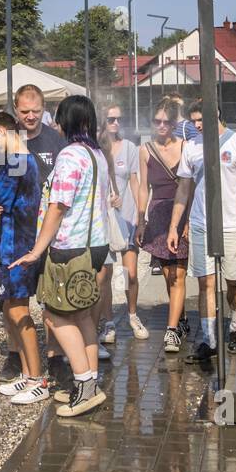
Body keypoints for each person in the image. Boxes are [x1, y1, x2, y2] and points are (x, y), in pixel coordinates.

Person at [9, 96, 109, 418]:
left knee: (55, 316)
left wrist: (38, 249)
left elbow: (59, 205)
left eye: (58, 119)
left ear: (68, 121)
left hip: (70, 245)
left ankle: (84, 384)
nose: (55, 124)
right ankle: (90, 382)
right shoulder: (97, 154)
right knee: (82, 315)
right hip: (96, 244)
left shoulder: (69, 156)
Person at [0, 84, 66, 383]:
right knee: (14, 307)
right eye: (25, 111)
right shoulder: (14, 154)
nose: (30, 116)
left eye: (36, 111)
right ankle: (25, 366)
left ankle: (40, 371)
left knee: (33, 306)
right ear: (16, 112)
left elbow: (0, 199)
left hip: (26, 241)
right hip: (18, 238)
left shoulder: (25, 155)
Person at [169, 101, 236, 361]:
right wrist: (175, 226)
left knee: (233, 281)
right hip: (202, 224)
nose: (197, 125)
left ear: (216, 114)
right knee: (205, 282)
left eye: (201, 119)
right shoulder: (191, 147)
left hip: (232, 225)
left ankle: (235, 328)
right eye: (193, 121)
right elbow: (183, 189)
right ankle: (209, 340)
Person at [0, 111, 48, 404]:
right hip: (10, 241)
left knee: (19, 310)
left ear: (4, 132)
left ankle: (37, 378)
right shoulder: (22, 159)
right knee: (9, 308)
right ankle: (28, 374)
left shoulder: (18, 161)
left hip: (18, 243)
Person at [137, 97, 190, 353]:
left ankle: (171, 332)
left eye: (165, 122)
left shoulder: (185, 147)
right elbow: (143, 188)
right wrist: (140, 220)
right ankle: (179, 317)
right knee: (169, 274)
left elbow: (194, 185)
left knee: (179, 273)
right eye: (156, 121)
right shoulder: (145, 150)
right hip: (158, 214)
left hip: (183, 213)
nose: (161, 126)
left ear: (173, 123)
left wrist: (192, 219)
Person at [97, 104, 147, 344]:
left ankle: (132, 314)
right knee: (104, 275)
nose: (115, 123)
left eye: (119, 118)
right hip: (103, 219)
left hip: (126, 217)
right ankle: (108, 322)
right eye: (110, 118)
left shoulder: (129, 148)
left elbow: (136, 181)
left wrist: (140, 214)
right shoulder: (95, 148)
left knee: (131, 273)